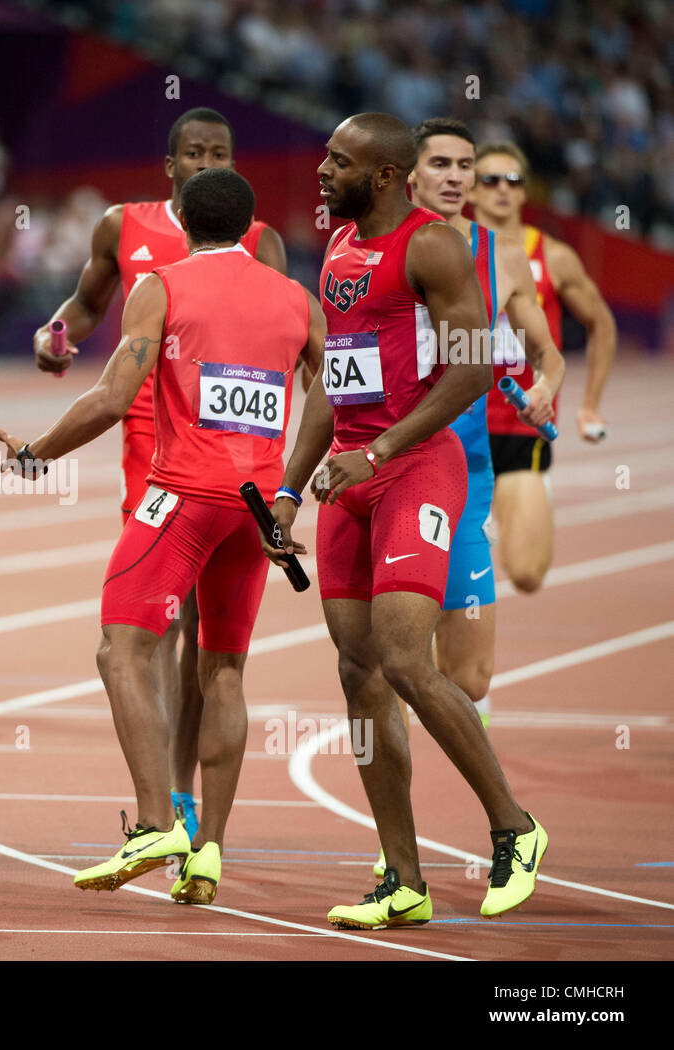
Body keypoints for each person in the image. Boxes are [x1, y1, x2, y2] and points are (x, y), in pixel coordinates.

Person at [0, 168, 323, 903]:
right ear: (249, 227)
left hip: (180, 497)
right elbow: (330, 398)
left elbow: (113, 397)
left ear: (182, 219)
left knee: (123, 648)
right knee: (225, 672)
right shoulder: (298, 299)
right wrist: (291, 493)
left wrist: (35, 454)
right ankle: (209, 849)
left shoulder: (163, 286)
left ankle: (154, 822)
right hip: (258, 507)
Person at [265, 113, 547, 928]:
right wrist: (288, 489)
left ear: (384, 176)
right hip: (349, 478)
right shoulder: (340, 251)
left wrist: (381, 452)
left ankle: (514, 827)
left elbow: (472, 369)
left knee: (403, 657)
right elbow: (330, 386)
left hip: (414, 467)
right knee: (358, 675)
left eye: (338, 161)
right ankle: (402, 876)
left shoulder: (433, 247)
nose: (321, 170)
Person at [33, 108, 291, 839]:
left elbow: (274, 336)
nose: (209, 162)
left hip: (223, 456)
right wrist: (55, 336)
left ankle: (177, 798)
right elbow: (84, 307)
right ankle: (174, 807)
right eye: (195, 152)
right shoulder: (123, 226)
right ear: (169, 164)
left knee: (205, 638)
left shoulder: (259, 241)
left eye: (222, 153)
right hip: (149, 448)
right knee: (157, 627)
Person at [355, 117, 565, 877]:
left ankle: (485, 813)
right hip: (390, 478)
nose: (455, 177)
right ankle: (398, 857)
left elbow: (541, 347)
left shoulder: (501, 255)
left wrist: (544, 384)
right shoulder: (377, 248)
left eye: (465, 166)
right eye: (439, 164)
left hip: (461, 481)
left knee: (465, 679)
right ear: (407, 176)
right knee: (382, 667)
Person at [471, 142, 618, 593]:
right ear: (471, 191)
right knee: (447, 585)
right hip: (455, 427)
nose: (501, 189)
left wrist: (589, 405)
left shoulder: (552, 256)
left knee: (527, 573)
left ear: (524, 191)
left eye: (512, 180)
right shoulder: (447, 249)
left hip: (519, 431)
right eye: (489, 179)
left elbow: (601, 323)